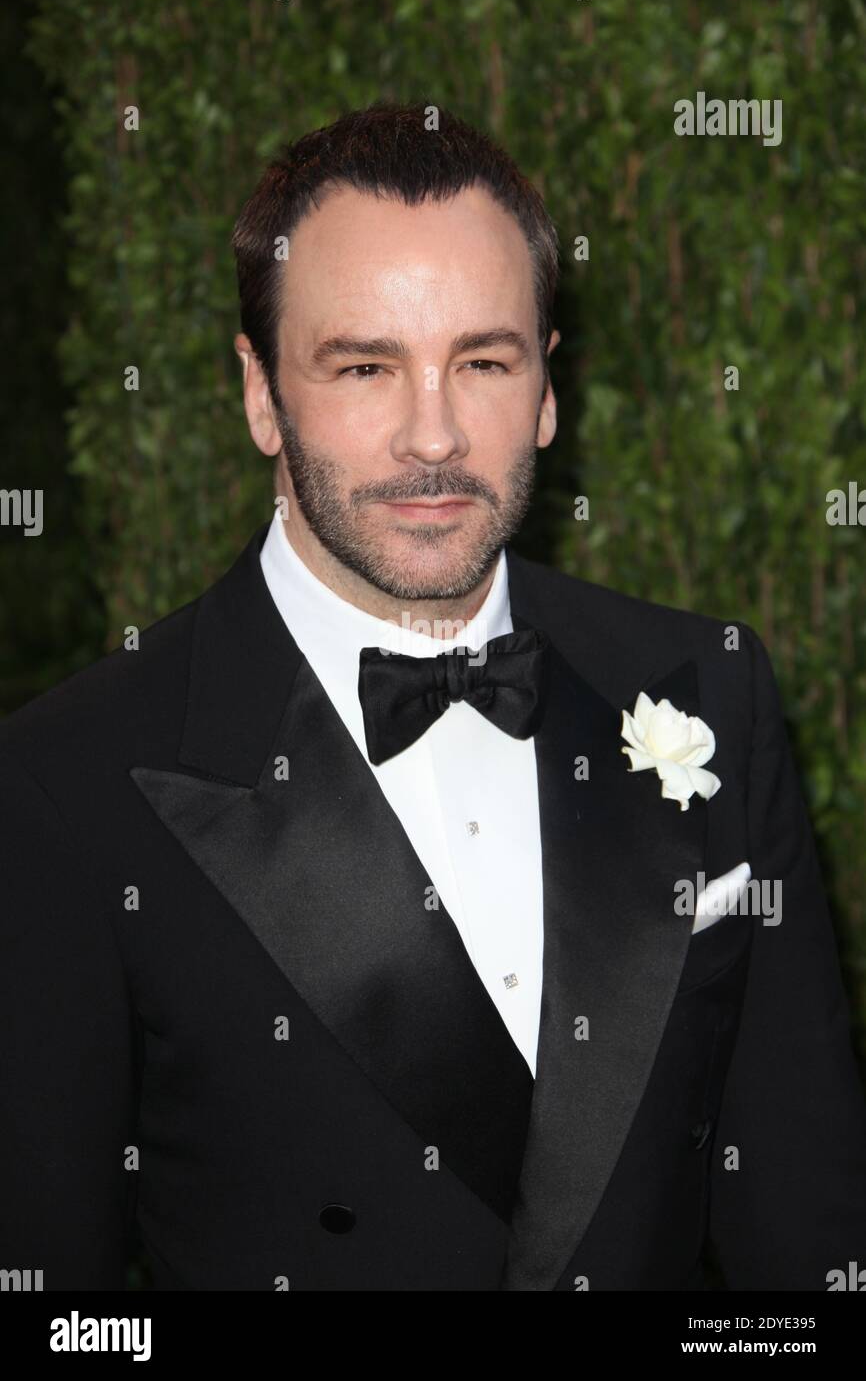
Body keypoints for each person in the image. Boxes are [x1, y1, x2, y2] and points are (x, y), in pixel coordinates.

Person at [2, 101, 864, 1292]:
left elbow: (804, 1226)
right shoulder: (68, 782)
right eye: (363, 366)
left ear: (547, 387)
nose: (432, 435)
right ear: (261, 395)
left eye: (483, 361)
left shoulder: (710, 686)